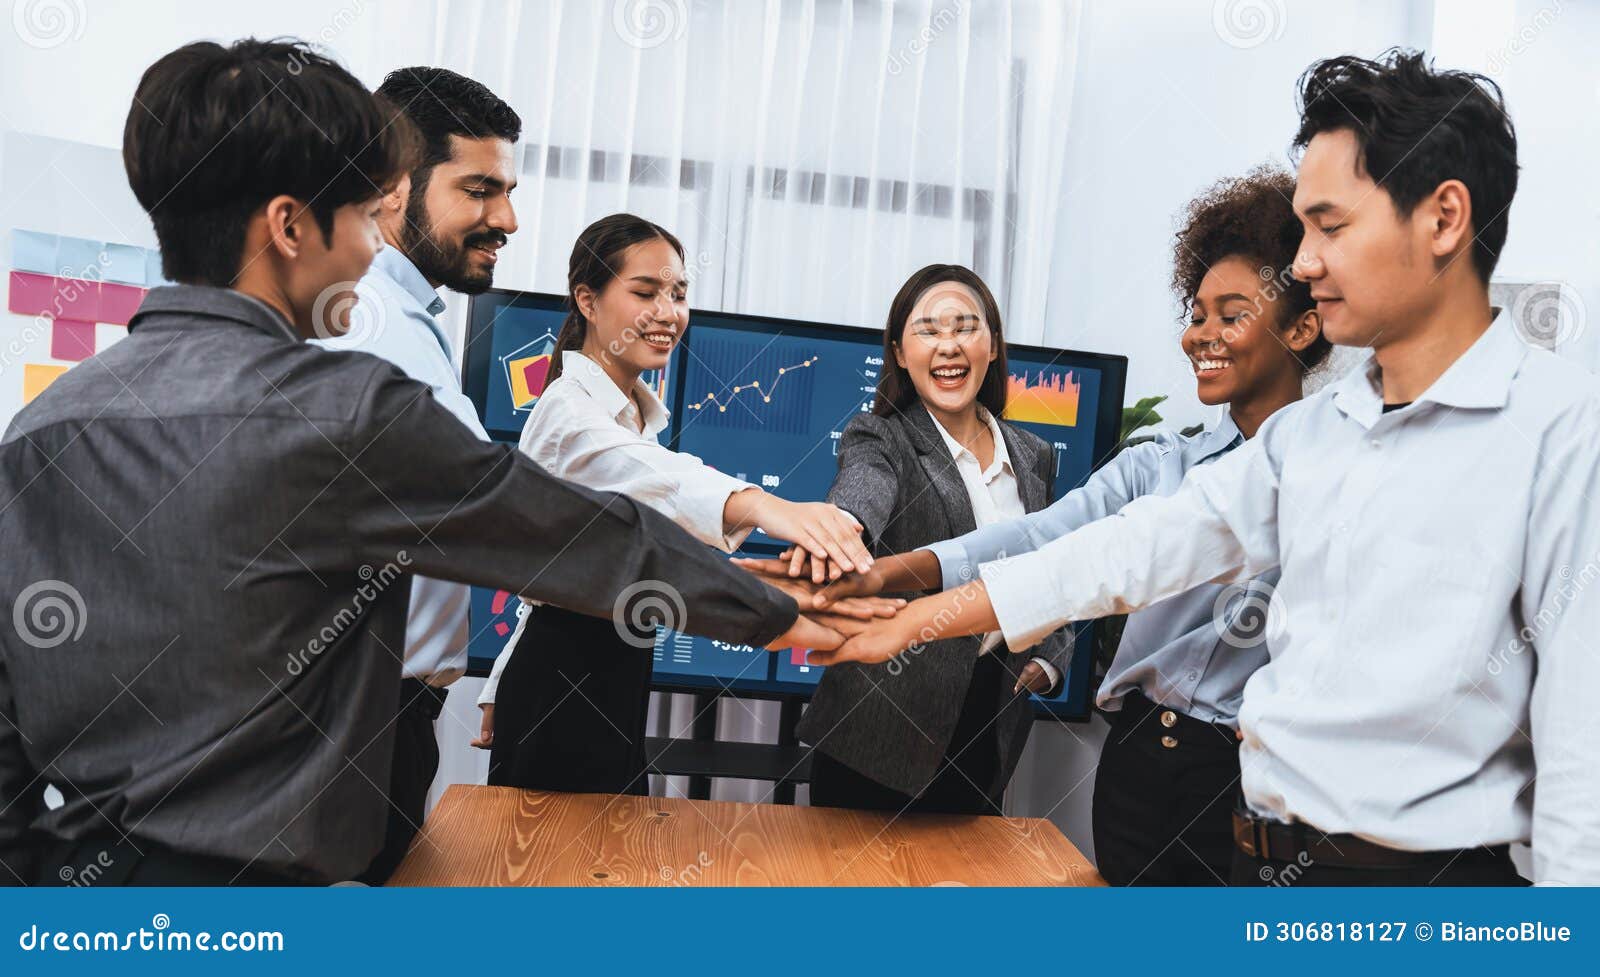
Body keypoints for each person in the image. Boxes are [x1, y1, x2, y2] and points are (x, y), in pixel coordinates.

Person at [0, 39, 853, 886]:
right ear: (291, 225)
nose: (376, 244)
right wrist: (780, 608)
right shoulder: (346, 408)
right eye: (364, 212)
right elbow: (564, 535)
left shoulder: (38, 428)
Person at [802, 50, 1600, 886]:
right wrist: (910, 619)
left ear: (1442, 219)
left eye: (1332, 226)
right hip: (1271, 870)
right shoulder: (1317, 432)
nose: (1305, 263)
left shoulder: (1560, 434)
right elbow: (1125, 548)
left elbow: (1580, 761)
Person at [746, 171, 1326, 878]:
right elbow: (1044, 541)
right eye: (1196, 313)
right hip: (1134, 763)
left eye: (1229, 314)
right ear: (898, 349)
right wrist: (884, 570)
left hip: (1244, 777)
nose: (1200, 334)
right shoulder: (1157, 466)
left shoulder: (1336, 471)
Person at [475, 214, 894, 796]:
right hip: (567, 678)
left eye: (678, 293)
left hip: (602, 674)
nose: (668, 312)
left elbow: (553, 575)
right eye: (645, 292)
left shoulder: (628, 412)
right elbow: (654, 475)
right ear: (588, 301)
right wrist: (768, 507)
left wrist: (498, 681)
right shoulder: (571, 413)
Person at [309, 66, 521, 883]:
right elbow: (489, 510)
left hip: (391, 714)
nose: (505, 218)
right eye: (480, 189)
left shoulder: (408, 320)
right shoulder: (371, 325)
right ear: (393, 188)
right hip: (358, 723)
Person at [783, 264, 1070, 817]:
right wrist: (840, 528)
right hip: (880, 731)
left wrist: (1052, 657)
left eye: (964, 327)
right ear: (898, 352)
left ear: (992, 346)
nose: (948, 345)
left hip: (990, 723)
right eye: (928, 330)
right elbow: (861, 491)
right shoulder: (881, 437)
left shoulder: (1034, 455)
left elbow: (1058, 561)